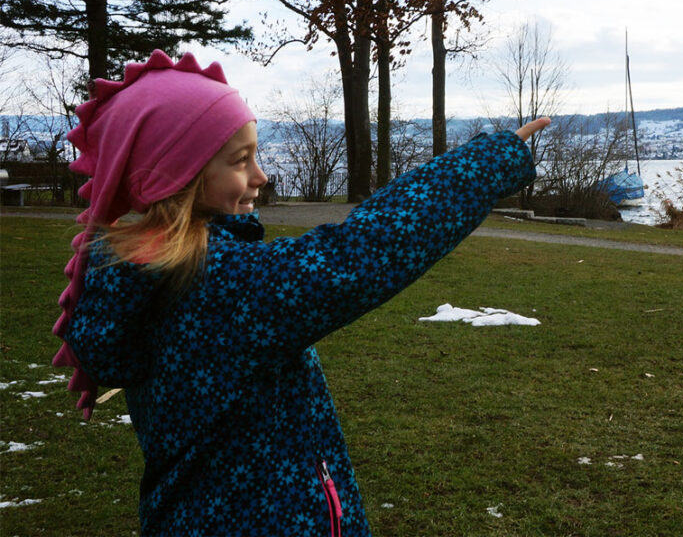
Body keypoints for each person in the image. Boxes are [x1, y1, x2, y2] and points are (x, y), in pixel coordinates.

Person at [53, 50, 549, 537]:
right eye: (240, 160)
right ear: (177, 175)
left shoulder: (137, 274)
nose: (260, 177)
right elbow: (362, 253)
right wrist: (490, 163)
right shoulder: (218, 289)